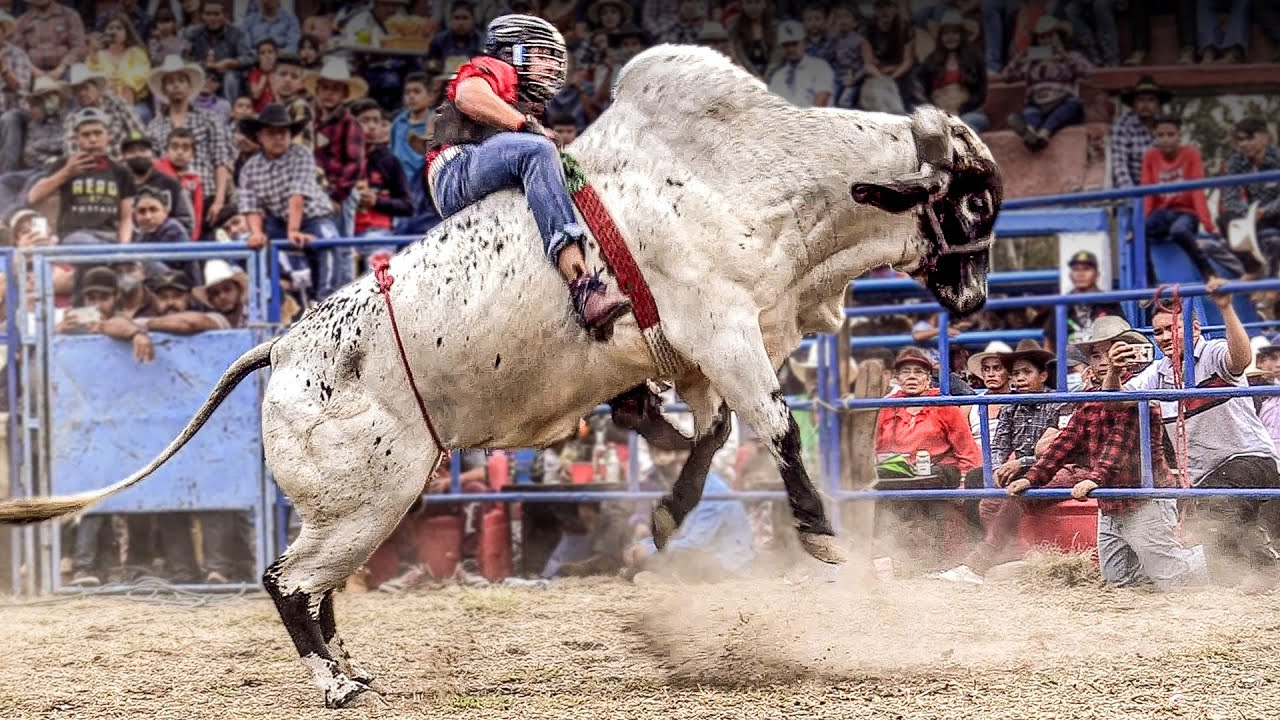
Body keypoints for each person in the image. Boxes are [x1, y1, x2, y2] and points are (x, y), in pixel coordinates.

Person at [426, 14, 631, 337]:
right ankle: (582, 286)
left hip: (475, 169)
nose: (552, 66)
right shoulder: (496, 69)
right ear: (513, 53)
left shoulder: (524, 104)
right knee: (538, 150)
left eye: (554, 58)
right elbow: (468, 95)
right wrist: (528, 127)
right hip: (455, 170)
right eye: (543, 55)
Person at [996, 317, 1210, 590]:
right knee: (1118, 578)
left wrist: (1095, 479)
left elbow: (1120, 443)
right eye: (1096, 355)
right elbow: (1067, 441)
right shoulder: (1090, 398)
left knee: (1172, 578)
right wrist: (1033, 478)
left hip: (1144, 497)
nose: (1103, 360)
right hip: (1114, 500)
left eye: (1110, 352)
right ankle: (1180, 570)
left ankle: (1206, 561)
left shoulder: (1139, 391)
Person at [1122, 279, 1280, 590]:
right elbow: (1121, 399)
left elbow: (1240, 359)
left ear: (1194, 329)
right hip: (1205, 477)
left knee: (1218, 512)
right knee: (1215, 539)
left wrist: (1225, 308)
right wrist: (1114, 371)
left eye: (1172, 328)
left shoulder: (1212, 352)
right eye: (1159, 332)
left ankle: (1265, 574)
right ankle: (1239, 591)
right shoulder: (1158, 374)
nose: (1165, 337)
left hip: (1248, 457)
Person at [941, 341, 1067, 584]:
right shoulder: (1011, 407)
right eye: (1016, 373)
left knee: (1015, 492)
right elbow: (999, 444)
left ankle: (978, 563)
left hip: (1050, 468)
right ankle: (1008, 558)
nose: (1019, 378)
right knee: (987, 501)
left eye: (1026, 372)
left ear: (1043, 375)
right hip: (1022, 468)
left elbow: (1057, 451)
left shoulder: (1059, 402)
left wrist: (1020, 463)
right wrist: (998, 468)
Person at [238, 103, 344, 302]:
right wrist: (257, 233)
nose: (278, 138)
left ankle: (326, 300)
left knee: (328, 240)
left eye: (283, 133)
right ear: (259, 136)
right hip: (277, 220)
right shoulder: (250, 168)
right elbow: (250, 205)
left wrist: (293, 230)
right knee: (251, 244)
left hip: (314, 216)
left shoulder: (301, 154)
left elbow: (297, 196)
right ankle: (273, 296)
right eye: (271, 133)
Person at [146, 55, 235, 237]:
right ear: (164, 89)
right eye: (170, 82)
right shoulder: (155, 125)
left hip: (206, 193)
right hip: (169, 197)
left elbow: (221, 160)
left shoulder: (208, 118)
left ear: (189, 86)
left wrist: (219, 200)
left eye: (181, 80)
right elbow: (153, 165)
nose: (176, 85)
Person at [1141, 114, 1237, 282]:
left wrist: (1208, 225)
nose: (1165, 139)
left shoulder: (1191, 153)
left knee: (1179, 231)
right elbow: (1148, 192)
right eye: (1160, 135)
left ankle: (1209, 274)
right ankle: (1150, 282)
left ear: (1179, 136)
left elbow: (1197, 191)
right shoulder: (1150, 156)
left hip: (1186, 213)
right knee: (1139, 232)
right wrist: (1141, 222)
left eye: (1170, 135)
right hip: (1162, 213)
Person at [28, 107, 135, 245]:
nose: (92, 139)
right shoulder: (64, 165)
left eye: (98, 133)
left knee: (154, 265)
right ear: (77, 139)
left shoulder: (121, 172)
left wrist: (123, 249)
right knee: (84, 242)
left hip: (110, 238)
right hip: (74, 237)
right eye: (86, 135)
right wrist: (67, 172)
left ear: (108, 136)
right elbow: (33, 196)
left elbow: (126, 218)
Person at [1001, 15, 1091, 151]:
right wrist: (1018, 60)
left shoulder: (1071, 56)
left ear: (1059, 37)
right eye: (1042, 37)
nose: (1046, 41)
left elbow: (1087, 72)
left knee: (1074, 104)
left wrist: (1063, 55)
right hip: (1037, 104)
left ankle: (1044, 133)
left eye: (1050, 36)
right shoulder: (1032, 62)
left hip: (1062, 102)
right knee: (1030, 111)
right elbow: (1006, 77)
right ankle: (1030, 132)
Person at [1218, 117, 1280, 277]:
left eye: (1249, 138)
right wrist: (1250, 213)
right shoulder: (1237, 160)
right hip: (1253, 217)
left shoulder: (1277, 157)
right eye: (1240, 140)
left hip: (1275, 213)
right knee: (1224, 220)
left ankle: (1272, 287)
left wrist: (1266, 211)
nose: (1243, 144)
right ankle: (1253, 268)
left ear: (1265, 137)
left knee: (1274, 240)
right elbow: (1230, 199)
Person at [914, 10, 987, 132]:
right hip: (939, 114)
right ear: (941, 37)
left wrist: (960, 110)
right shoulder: (930, 61)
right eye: (946, 33)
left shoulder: (975, 60)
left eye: (955, 33)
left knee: (969, 123)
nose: (950, 37)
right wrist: (937, 110)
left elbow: (981, 93)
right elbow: (919, 88)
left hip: (968, 114)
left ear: (962, 35)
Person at [120, 130, 195, 236]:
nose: (138, 154)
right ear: (123, 156)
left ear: (152, 154)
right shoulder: (119, 185)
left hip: (165, 246)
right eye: (132, 151)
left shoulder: (170, 184)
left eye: (143, 150)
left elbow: (187, 221)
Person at [184, 0, 252, 100]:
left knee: (231, 78)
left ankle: (230, 110)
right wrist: (201, 64)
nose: (212, 18)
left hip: (226, 74)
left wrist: (232, 63)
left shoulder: (236, 33)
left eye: (216, 14)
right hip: (202, 72)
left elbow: (249, 58)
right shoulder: (193, 33)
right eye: (208, 14)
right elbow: (185, 58)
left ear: (225, 15)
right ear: (202, 16)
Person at [1110, 75, 1169, 190]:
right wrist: (1132, 195)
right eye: (1140, 100)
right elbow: (1120, 165)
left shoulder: (1165, 124)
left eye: (1151, 100)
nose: (1145, 105)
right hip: (1136, 189)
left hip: (1163, 188)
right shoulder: (1123, 126)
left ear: (1158, 104)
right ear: (1133, 104)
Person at [766, 20, 833, 109]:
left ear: (805, 43)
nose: (790, 49)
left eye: (795, 44)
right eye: (786, 45)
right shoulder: (778, 75)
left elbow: (821, 104)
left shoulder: (820, 67)